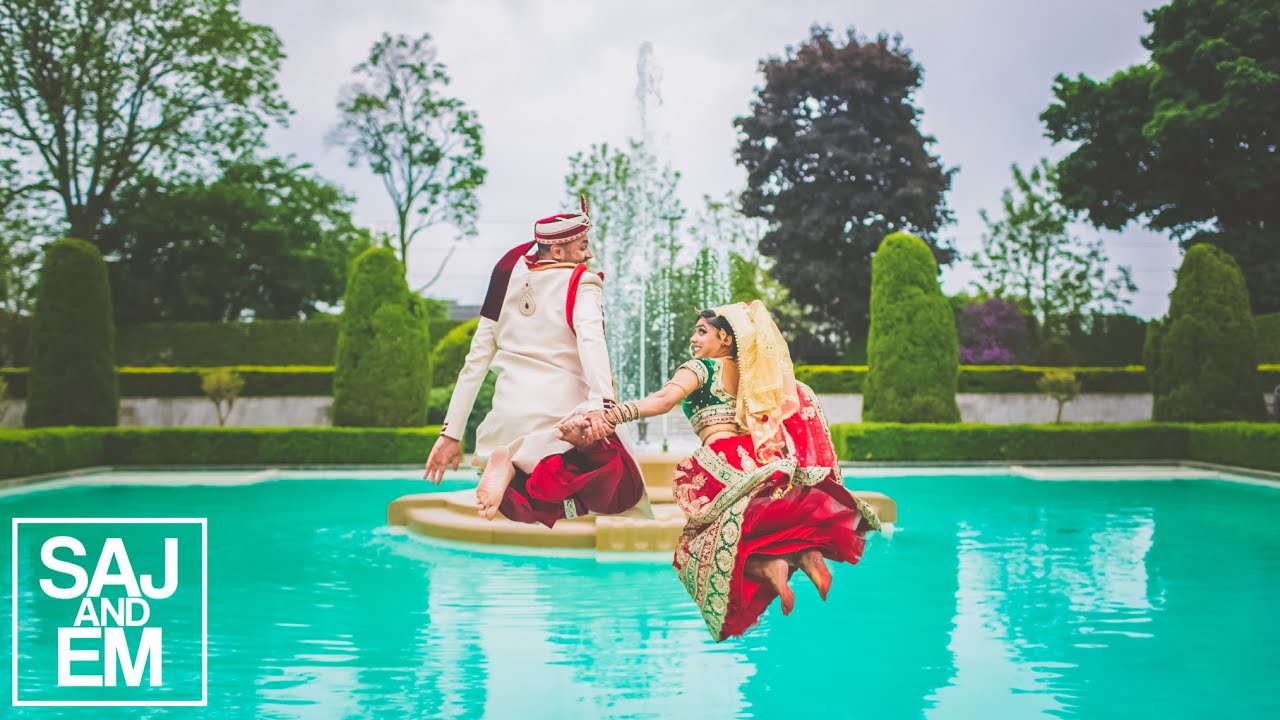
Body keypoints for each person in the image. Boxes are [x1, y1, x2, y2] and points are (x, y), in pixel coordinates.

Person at [568, 301, 880, 641]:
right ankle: (801, 557)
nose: (693, 338)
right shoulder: (753, 376)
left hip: (723, 459)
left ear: (726, 338)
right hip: (759, 458)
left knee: (694, 551)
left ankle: (773, 567)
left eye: (702, 331)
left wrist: (615, 415)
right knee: (758, 533)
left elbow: (663, 400)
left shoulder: (700, 368)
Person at [423, 198, 651, 526]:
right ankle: (519, 464)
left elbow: (474, 364)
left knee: (522, 498)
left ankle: (506, 460)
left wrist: (451, 433)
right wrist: (603, 402)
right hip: (559, 413)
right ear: (558, 252)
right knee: (620, 483)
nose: (588, 254)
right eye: (583, 246)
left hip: (507, 415)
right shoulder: (583, 282)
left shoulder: (503, 284)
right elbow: (591, 339)